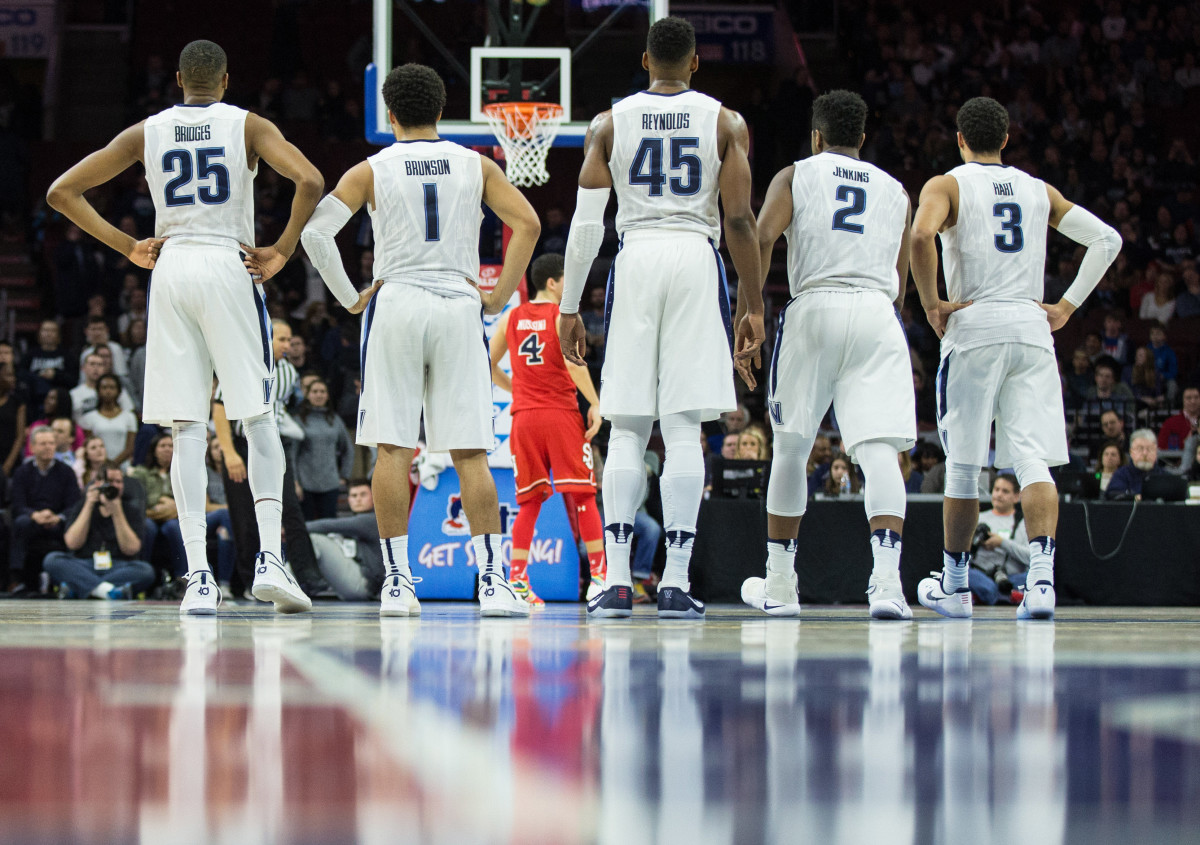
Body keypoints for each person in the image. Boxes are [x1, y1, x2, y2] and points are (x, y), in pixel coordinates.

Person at [46, 39, 323, 616]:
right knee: (258, 416)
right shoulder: (248, 124)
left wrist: (128, 246)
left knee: (189, 426)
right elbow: (311, 181)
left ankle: (198, 578)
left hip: (170, 268)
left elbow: (61, 192)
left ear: (177, 80)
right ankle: (271, 559)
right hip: (228, 260)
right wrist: (281, 249)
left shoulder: (145, 131)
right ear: (225, 81)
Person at [297, 62, 540, 617]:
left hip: (397, 302)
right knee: (470, 451)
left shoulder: (371, 168)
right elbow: (527, 223)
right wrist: (499, 296)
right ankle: (493, 583)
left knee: (393, 448)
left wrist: (350, 298)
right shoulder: (476, 164)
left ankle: (398, 583)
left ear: (389, 114)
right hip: (458, 303)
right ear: (441, 109)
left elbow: (316, 233)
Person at [557, 17, 765, 619]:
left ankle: (617, 580)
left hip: (638, 255)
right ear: (696, 63)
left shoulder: (608, 123)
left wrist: (569, 305)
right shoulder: (726, 122)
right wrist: (753, 304)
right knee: (681, 428)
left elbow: (587, 226)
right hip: (696, 256)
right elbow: (740, 220)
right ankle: (674, 581)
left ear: (645, 61)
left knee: (626, 427)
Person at [911, 96, 1121, 620]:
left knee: (964, 466)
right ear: (1006, 140)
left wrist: (932, 303)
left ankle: (955, 585)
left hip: (975, 326)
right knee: (1032, 459)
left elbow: (920, 234)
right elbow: (1107, 240)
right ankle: (1042, 583)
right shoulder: (1037, 189)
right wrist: (1067, 306)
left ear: (960, 139)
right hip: (1031, 328)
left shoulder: (947, 185)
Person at [739, 90, 915, 620]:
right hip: (877, 310)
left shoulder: (795, 175)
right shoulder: (896, 191)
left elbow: (760, 237)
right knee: (879, 451)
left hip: (815, 306)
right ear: (861, 137)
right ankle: (888, 585)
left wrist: (751, 311)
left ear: (816, 137)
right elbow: (901, 278)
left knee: (792, 448)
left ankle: (781, 586)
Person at [488, 252, 607, 607]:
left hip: (524, 419)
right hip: (559, 415)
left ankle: (517, 580)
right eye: (566, 279)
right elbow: (575, 363)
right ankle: (600, 577)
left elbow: (486, 363)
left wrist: (517, 390)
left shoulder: (510, 317)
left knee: (528, 501)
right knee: (583, 496)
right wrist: (595, 403)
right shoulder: (561, 315)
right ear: (552, 282)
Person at [43, 463, 154, 600]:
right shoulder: (82, 506)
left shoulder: (131, 510)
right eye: (110, 481)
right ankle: (108, 591)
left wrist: (117, 511)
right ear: (98, 483)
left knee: (145, 570)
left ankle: (82, 587)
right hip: (85, 563)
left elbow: (131, 549)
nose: (114, 485)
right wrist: (89, 504)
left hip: (117, 565)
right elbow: (72, 543)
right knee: (52, 559)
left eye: (118, 481)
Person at [8, 426, 81, 594]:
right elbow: (17, 504)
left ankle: (69, 578)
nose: (48, 447)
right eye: (43, 444)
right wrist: (35, 515)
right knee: (21, 523)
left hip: (58, 521)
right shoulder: (22, 472)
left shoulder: (66, 472)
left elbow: (74, 504)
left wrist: (58, 517)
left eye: (51, 443)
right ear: (32, 447)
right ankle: (16, 579)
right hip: (31, 520)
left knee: (73, 524)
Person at [306, 479, 383, 601]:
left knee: (316, 540)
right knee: (328, 539)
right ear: (349, 500)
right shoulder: (359, 522)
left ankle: (288, 580)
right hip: (357, 584)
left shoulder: (372, 520)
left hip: (363, 586)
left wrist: (292, 528)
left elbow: (327, 525)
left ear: (374, 498)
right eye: (354, 496)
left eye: (363, 495)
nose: (358, 499)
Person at [294, 377, 352, 520]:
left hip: (331, 484)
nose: (319, 395)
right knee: (308, 526)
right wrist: (295, 482)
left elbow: (348, 450)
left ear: (327, 395)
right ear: (307, 395)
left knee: (329, 525)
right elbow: (292, 455)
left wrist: (344, 476)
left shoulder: (335, 420)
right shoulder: (298, 420)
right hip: (305, 485)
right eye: (315, 391)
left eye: (322, 391)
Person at [968, 474, 1030, 606]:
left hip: (1010, 578)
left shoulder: (1023, 523)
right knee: (963, 574)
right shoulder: (977, 518)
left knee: (1032, 576)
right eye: (996, 490)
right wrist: (975, 543)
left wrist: (1002, 543)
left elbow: (1030, 557)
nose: (999, 494)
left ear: (1016, 496)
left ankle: (989, 596)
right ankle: (1008, 596)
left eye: (1005, 491)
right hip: (982, 575)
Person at [79, 373, 137, 467]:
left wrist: (112, 464)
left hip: (123, 466)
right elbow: (89, 444)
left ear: (118, 391)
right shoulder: (89, 418)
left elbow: (130, 448)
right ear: (98, 390)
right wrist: (104, 465)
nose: (108, 391)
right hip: (97, 465)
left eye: (112, 387)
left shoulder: (129, 417)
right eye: (104, 387)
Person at [69, 352, 135, 425]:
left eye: (100, 365)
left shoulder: (117, 391)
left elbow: (129, 413)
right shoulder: (73, 394)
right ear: (83, 368)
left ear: (104, 368)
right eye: (92, 364)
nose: (96, 368)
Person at [1106, 428, 1172, 498]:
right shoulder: (1121, 475)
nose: (1145, 453)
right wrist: (1133, 498)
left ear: (1156, 452)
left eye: (1150, 449)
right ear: (1131, 452)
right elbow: (1112, 495)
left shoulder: (1166, 477)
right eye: (1140, 448)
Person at [0, 365, 27, 477]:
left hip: (10, 460)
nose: (13, 379)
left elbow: (20, 436)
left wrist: (7, 465)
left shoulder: (18, 402)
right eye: (9, 375)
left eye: (13, 375)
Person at [1159, 385, 1199, 450]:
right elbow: (1162, 448)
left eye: (1196, 397)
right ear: (1182, 400)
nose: (1193, 401)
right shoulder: (1170, 423)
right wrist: (1186, 442)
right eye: (1188, 398)